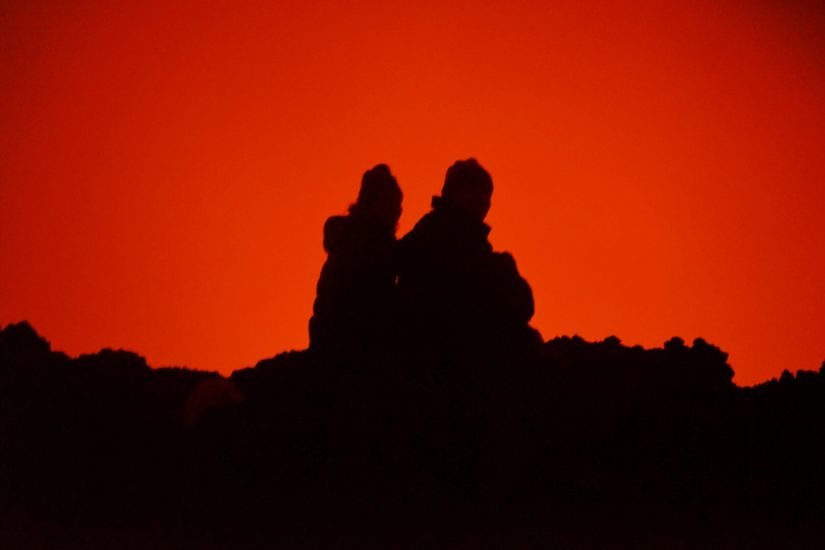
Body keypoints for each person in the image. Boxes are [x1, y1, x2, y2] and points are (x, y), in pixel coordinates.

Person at [397, 158, 537, 353]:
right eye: (473, 192)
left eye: (486, 196)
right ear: (452, 193)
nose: (482, 202)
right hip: (443, 350)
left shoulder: (463, 237)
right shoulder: (442, 234)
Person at [308, 164, 403, 356]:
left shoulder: (358, 238)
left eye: (397, 204)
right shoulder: (363, 242)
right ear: (370, 203)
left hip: (332, 338)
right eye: (387, 202)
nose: (394, 210)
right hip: (347, 343)